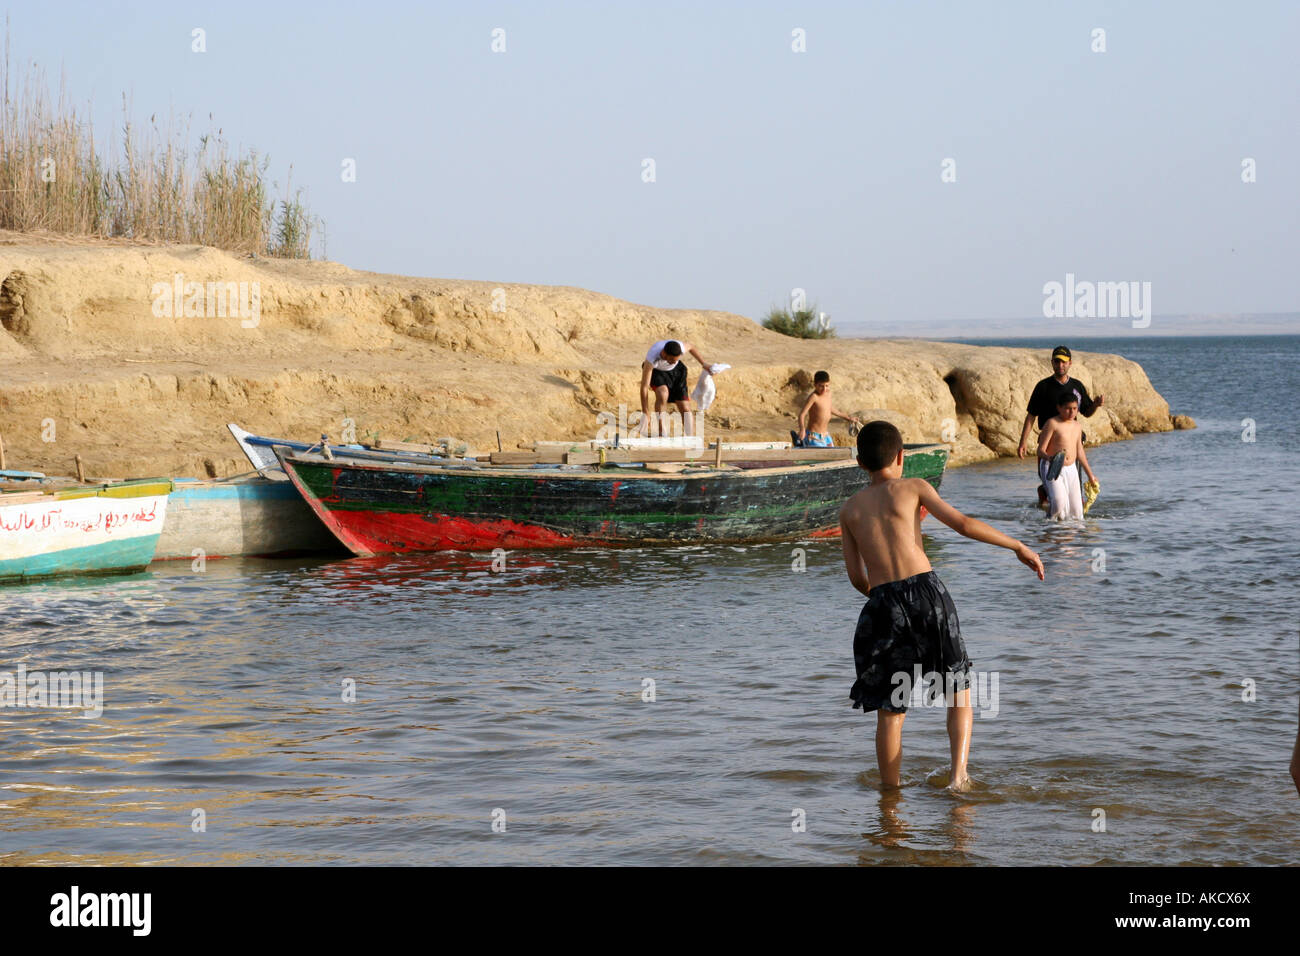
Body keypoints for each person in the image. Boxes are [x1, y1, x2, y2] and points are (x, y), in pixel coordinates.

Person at [841, 421, 1044, 792]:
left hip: (882, 603)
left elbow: (857, 578)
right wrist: (1016, 545)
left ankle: (891, 798)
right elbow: (963, 525)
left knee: (890, 710)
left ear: (859, 463)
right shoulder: (915, 487)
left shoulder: (850, 509)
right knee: (957, 687)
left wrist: (885, 598)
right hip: (926, 595)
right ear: (901, 457)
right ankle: (958, 778)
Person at [1017, 345, 1104, 505]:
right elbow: (1031, 415)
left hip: (1071, 440)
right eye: (1057, 362)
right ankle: (1046, 494)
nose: (1060, 365)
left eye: (1064, 362)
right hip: (1049, 441)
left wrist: (1096, 405)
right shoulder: (1043, 387)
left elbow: (1086, 411)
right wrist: (1023, 442)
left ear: (1070, 363)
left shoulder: (1077, 386)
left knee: (1073, 477)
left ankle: (1075, 503)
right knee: (1050, 477)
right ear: (1052, 363)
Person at [1037, 391, 1098, 520]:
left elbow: (1080, 452)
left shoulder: (1077, 426)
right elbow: (1040, 450)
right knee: (1059, 504)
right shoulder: (1052, 423)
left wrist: (1090, 475)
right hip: (1052, 467)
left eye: (1075, 409)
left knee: (1077, 513)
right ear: (1059, 408)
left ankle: (1070, 538)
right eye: (1068, 409)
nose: (1071, 412)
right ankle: (1047, 528)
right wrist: (1050, 458)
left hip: (1071, 469)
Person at [639, 339, 712, 437]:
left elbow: (691, 346)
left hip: (677, 372)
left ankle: (690, 437)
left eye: (676, 360)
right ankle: (662, 432)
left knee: (685, 406)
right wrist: (645, 412)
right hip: (657, 371)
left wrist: (704, 364)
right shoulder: (652, 358)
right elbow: (644, 387)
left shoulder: (680, 348)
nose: (674, 362)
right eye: (672, 360)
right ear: (664, 354)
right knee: (662, 393)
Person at [794, 371, 862, 447]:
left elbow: (829, 408)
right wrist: (802, 429)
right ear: (815, 385)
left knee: (832, 456)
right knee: (822, 457)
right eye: (821, 386)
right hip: (814, 437)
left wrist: (848, 418)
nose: (824, 389)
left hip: (826, 436)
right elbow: (802, 415)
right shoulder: (814, 397)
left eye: (826, 386)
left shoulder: (828, 393)